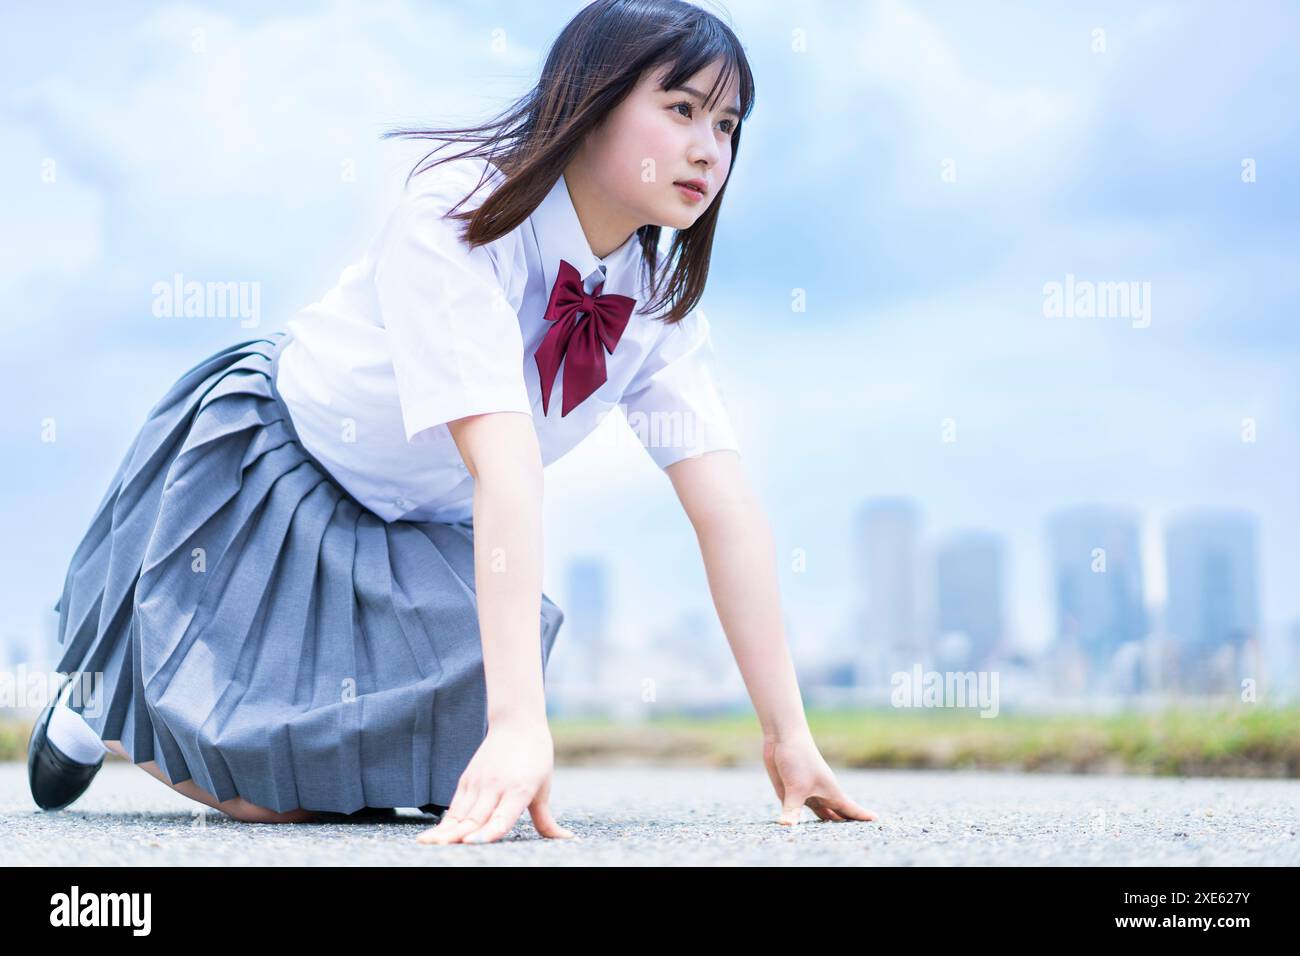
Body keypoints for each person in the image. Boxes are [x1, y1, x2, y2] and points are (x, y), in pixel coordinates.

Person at [36, 0, 877, 844]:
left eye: (729, 125)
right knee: (274, 801)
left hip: (417, 537)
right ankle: (104, 700)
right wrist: (519, 723)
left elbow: (724, 508)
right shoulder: (460, 211)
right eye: (683, 109)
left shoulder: (654, 306)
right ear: (588, 104)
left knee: (396, 789)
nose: (709, 149)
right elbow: (504, 467)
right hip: (278, 476)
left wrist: (788, 733)